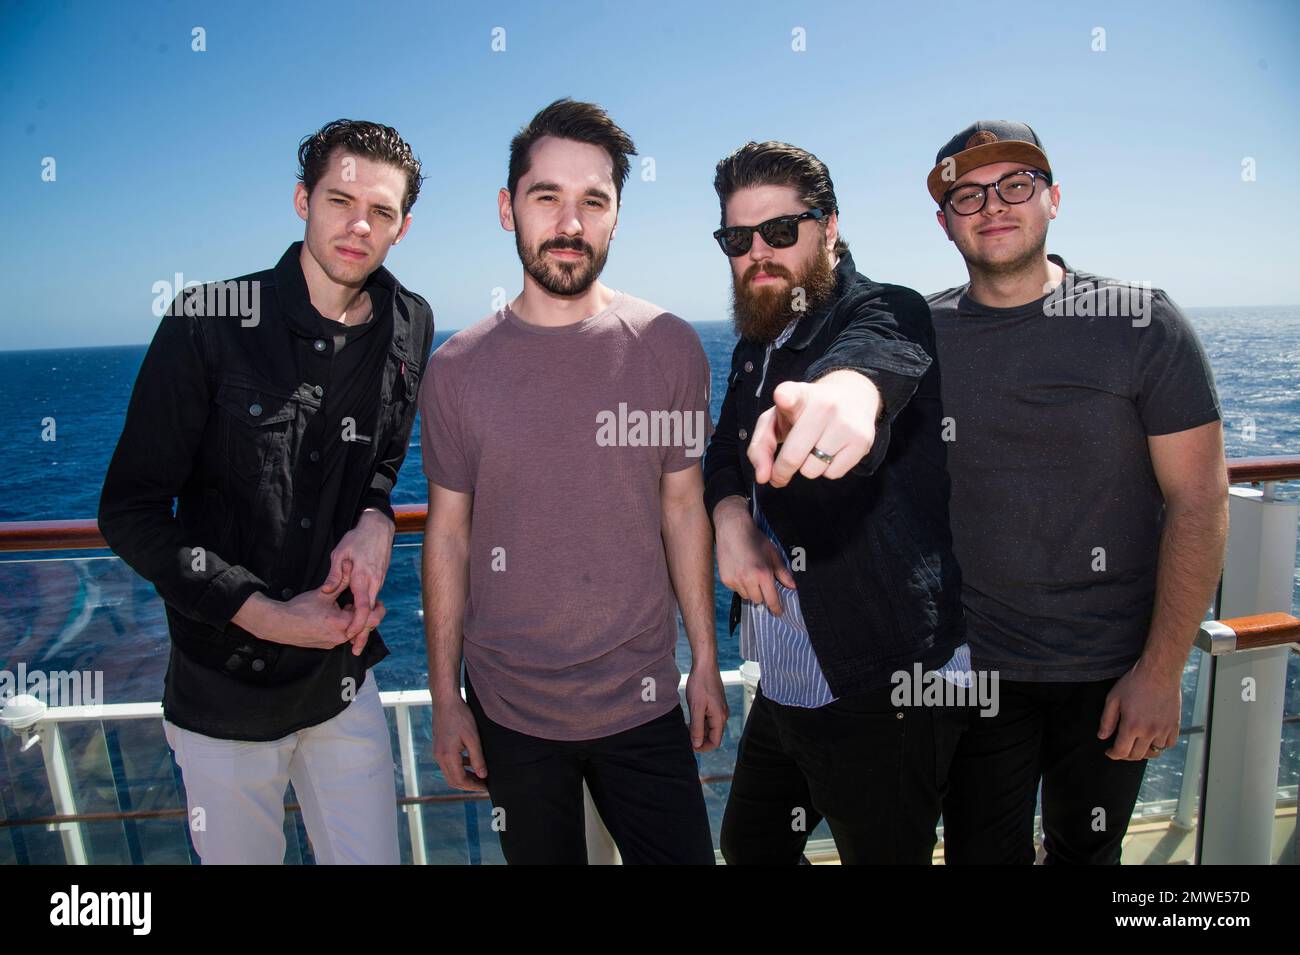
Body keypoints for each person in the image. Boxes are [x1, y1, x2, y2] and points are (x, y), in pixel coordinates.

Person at [98, 119, 434, 864]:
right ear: (300, 200)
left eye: (381, 212)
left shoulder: (412, 323)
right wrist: (266, 614)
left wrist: (378, 515)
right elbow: (129, 511)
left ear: (403, 226)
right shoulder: (205, 323)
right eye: (339, 200)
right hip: (221, 697)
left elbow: (383, 460)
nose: (358, 225)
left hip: (341, 680)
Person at [419, 99, 724, 864]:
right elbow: (448, 536)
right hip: (509, 713)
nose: (569, 221)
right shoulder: (456, 369)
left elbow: (684, 509)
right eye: (546, 195)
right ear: (506, 208)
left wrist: (706, 664)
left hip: (646, 700)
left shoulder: (669, 346)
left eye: (594, 200)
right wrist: (445, 698)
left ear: (617, 216)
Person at [924, 120, 1228, 864]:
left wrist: (1162, 672)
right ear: (944, 223)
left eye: (1016, 185)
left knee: (1085, 856)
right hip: (974, 669)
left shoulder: (1140, 322)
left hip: (1111, 670)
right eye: (968, 194)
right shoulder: (918, 333)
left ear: (1053, 199)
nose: (993, 204)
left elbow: (1200, 499)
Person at [705, 141, 972, 865]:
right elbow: (726, 450)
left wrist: (843, 401)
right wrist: (730, 519)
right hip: (788, 676)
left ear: (829, 227)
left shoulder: (887, 308)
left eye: (781, 231)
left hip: (882, 684)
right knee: (751, 846)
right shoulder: (756, 343)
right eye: (738, 238)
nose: (758, 252)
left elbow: (869, 368)